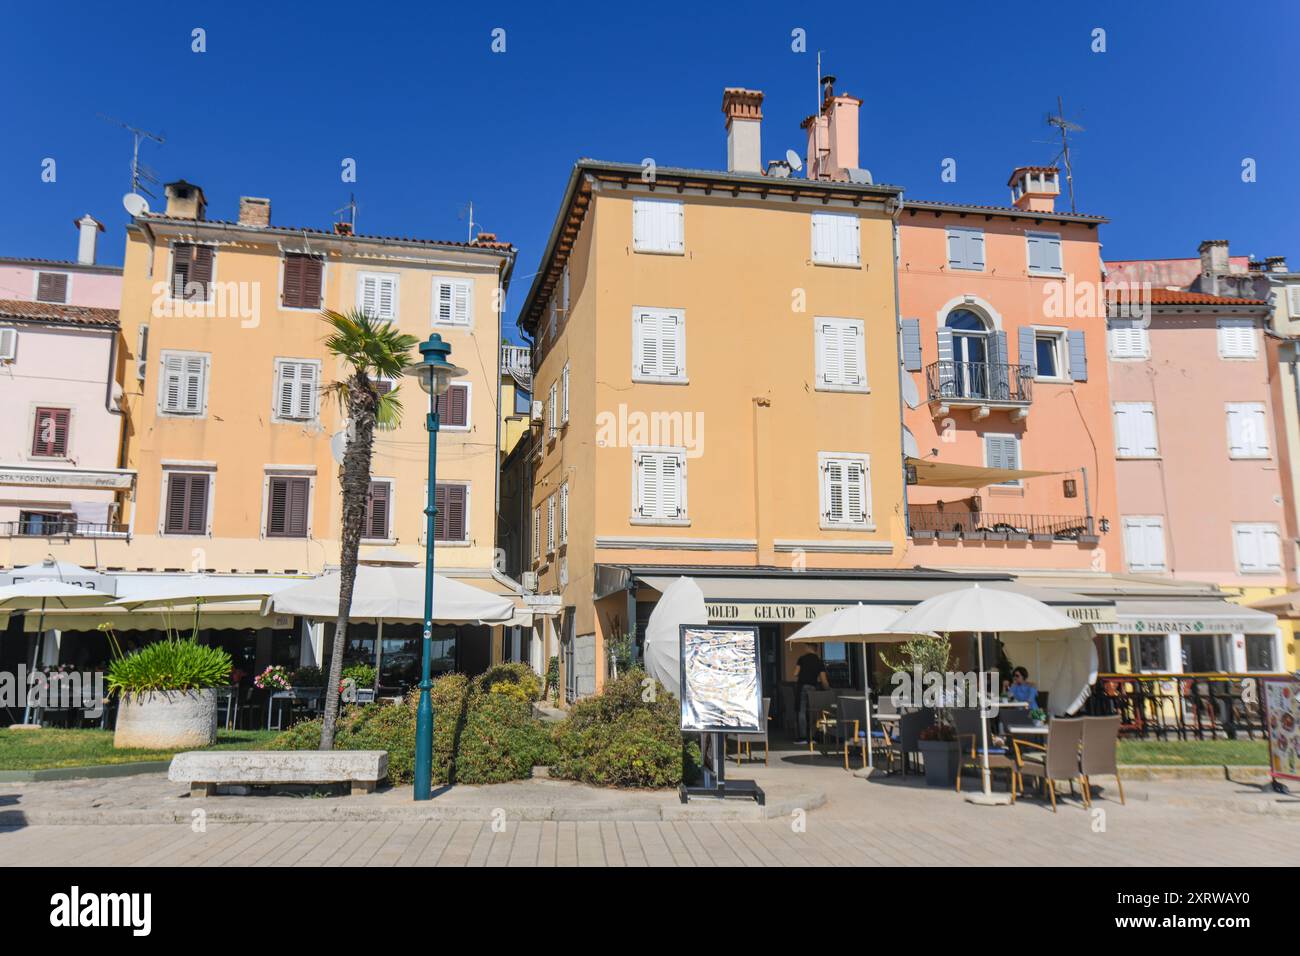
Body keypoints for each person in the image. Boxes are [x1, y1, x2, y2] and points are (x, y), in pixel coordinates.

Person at [792, 649, 830, 744]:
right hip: (813, 687)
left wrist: (803, 673)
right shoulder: (819, 661)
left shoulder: (802, 659)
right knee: (813, 712)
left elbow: (795, 673)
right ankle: (812, 737)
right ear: (816, 649)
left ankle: (803, 737)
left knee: (802, 711)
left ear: (807, 647)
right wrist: (829, 689)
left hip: (802, 686)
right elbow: (823, 679)